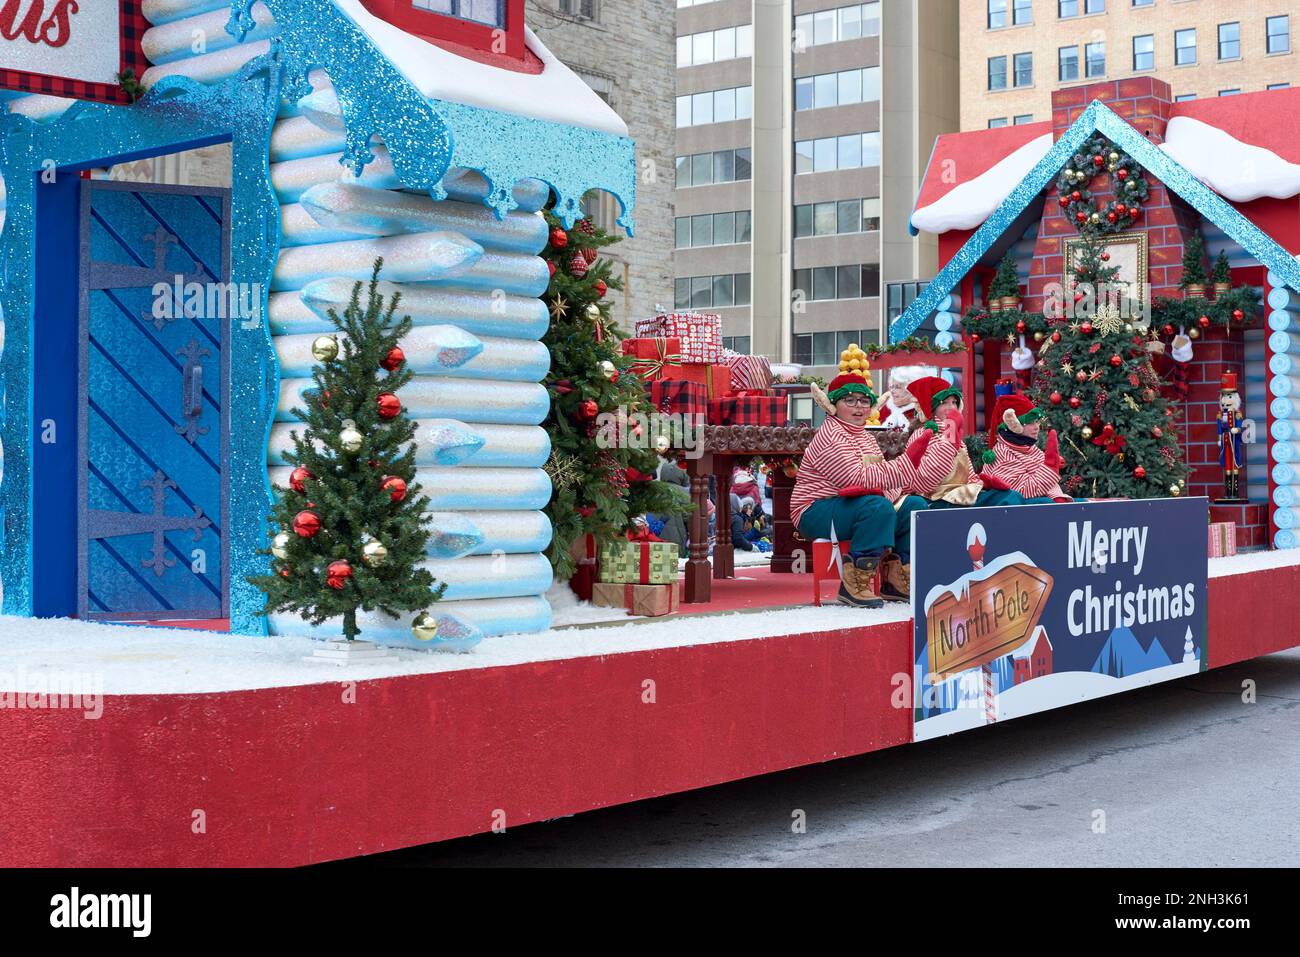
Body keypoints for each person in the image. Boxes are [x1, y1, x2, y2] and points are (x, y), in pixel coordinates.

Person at [791, 372, 941, 608]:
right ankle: (855, 582)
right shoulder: (830, 436)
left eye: (863, 401)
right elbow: (856, 479)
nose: (858, 407)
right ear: (833, 405)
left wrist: (894, 490)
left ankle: (895, 579)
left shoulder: (866, 437)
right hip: (815, 508)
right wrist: (904, 465)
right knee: (877, 507)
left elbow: (884, 483)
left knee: (914, 506)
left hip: (854, 505)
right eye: (849, 400)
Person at [900, 376, 983, 507]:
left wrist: (981, 484)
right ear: (931, 408)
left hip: (961, 495)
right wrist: (950, 440)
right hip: (936, 499)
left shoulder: (956, 437)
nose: (952, 408)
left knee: (1002, 496)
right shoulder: (922, 435)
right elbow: (926, 481)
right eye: (944, 403)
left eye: (954, 402)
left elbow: (969, 474)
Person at [979, 394, 1066, 504]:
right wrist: (1050, 468)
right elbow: (1022, 491)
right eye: (1029, 423)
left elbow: (1041, 468)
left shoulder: (1027, 447)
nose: (1036, 427)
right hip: (1008, 512)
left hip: (1030, 506)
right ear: (1013, 425)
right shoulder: (1003, 453)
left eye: (1037, 421)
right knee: (1044, 502)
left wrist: (1054, 461)